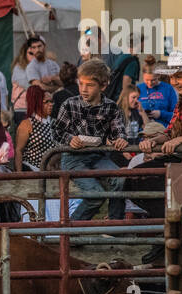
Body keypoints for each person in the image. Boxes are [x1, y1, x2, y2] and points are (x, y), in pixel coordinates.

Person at [54, 58, 129, 222]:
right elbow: (56, 131)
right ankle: (71, 229)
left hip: (99, 156)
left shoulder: (111, 107)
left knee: (121, 179)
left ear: (103, 86)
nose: (84, 89)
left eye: (90, 85)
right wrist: (70, 139)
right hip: (73, 158)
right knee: (96, 194)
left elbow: (119, 131)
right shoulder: (69, 104)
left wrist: (121, 140)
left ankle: (115, 223)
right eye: (81, 84)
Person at [15, 85, 55, 171]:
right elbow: (18, 150)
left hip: (50, 171)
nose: (51, 104)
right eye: (46, 102)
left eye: (51, 101)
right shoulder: (27, 124)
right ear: (38, 103)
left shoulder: (54, 122)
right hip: (31, 169)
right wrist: (19, 175)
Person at [137, 57, 178, 122]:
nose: (150, 83)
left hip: (163, 129)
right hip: (142, 129)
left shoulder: (168, 89)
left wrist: (161, 114)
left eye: (153, 80)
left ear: (158, 75)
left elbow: (177, 115)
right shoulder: (138, 88)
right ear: (143, 76)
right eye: (147, 80)